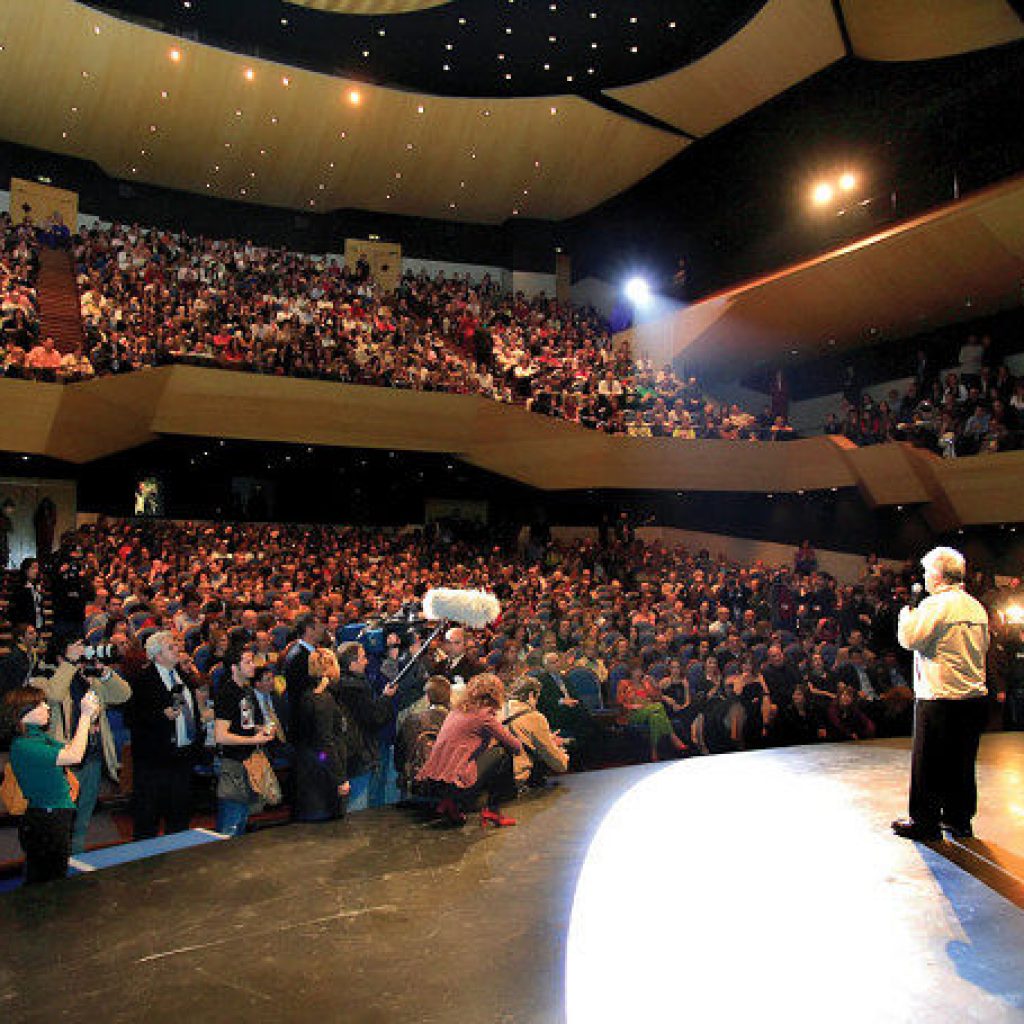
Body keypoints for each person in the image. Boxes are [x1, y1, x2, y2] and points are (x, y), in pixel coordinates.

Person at [892, 547, 990, 841]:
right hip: (973, 698)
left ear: (937, 574)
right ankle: (959, 819)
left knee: (928, 764)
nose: (924, 577)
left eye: (926, 572)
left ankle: (925, 822)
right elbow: (984, 648)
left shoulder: (936, 605)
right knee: (961, 763)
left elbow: (910, 639)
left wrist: (907, 614)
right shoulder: (976, 607)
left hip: (939, 697)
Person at [34, 636, 131, 853]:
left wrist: (104, 672)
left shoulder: (88, 676)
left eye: (82, 645)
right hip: (64, 759)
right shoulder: (44, 674)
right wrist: (69, 664)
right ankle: (57, 862)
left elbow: (124, 695)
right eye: (76, 646)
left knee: (82, 820)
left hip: (92, 755)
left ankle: (76, 860)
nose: (82, 650)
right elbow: (54, 695)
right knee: (61, 821)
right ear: (62, 651)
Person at [2, 685, 100, 884]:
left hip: (54, 816)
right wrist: (84, 716)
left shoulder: (37, 737)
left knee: (50, 875)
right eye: (40, 704)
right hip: (46, 820)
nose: (47, 707)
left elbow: (71, 748)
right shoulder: (25, 745)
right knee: (47, 879)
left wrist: (88, 719)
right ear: (23, 713)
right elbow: (74, 756)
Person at [416, 673, 522, 826]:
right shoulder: (484, 716)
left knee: (491, 753)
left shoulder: (456, 711)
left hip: (438, 780)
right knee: (502, 753)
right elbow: (516, 747)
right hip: (458, 781)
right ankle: (493, 810)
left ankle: (450, 802)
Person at [128, 630, 203, 840]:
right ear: (157, 655)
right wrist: (161, 716)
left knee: (180, 815)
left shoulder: (182, 676)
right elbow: (132, 717)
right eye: (171, 647)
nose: (177, 649)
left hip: (182, 756)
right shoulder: (143, 680)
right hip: (155, 761)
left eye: (176, 645)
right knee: (148, 819)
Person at [213, 645, 275, 836]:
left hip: (247, 761)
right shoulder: (227, 693)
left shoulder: (246, 691)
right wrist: (253, 739)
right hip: (232, 762)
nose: (253, 666)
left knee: (242, 818)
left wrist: (260, 730)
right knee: (231, 823)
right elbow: (221, 735)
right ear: (234, 667)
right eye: (247, 662)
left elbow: (245, 724)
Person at [335, 641, 397, 811]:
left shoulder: (339, 684)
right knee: (358, 805)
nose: (366, 662)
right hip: (358, 753)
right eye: (362, 658)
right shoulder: (355, 688)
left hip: (348, 753)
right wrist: (386, 698)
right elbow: (374, 717)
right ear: (352, 663)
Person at [293, 648, 350, 823]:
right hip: (321, 778)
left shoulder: (309, 695)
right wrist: (339, 778)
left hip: (313, 771)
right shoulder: (323, 699)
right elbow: (324, 744)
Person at [503, 676, 569, 790]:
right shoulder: (533, 717)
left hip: (500, 779)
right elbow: (558, 764)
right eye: (537, 697)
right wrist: (563, 755)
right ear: (530, 695)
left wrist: (547, 738)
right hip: (521, 779)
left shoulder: (499, 711)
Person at [394, 674, 450, 794]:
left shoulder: (412, 720)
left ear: (427, 698)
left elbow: (399, 755)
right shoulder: (455, 722)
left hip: (415, 781)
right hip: (446, 784)